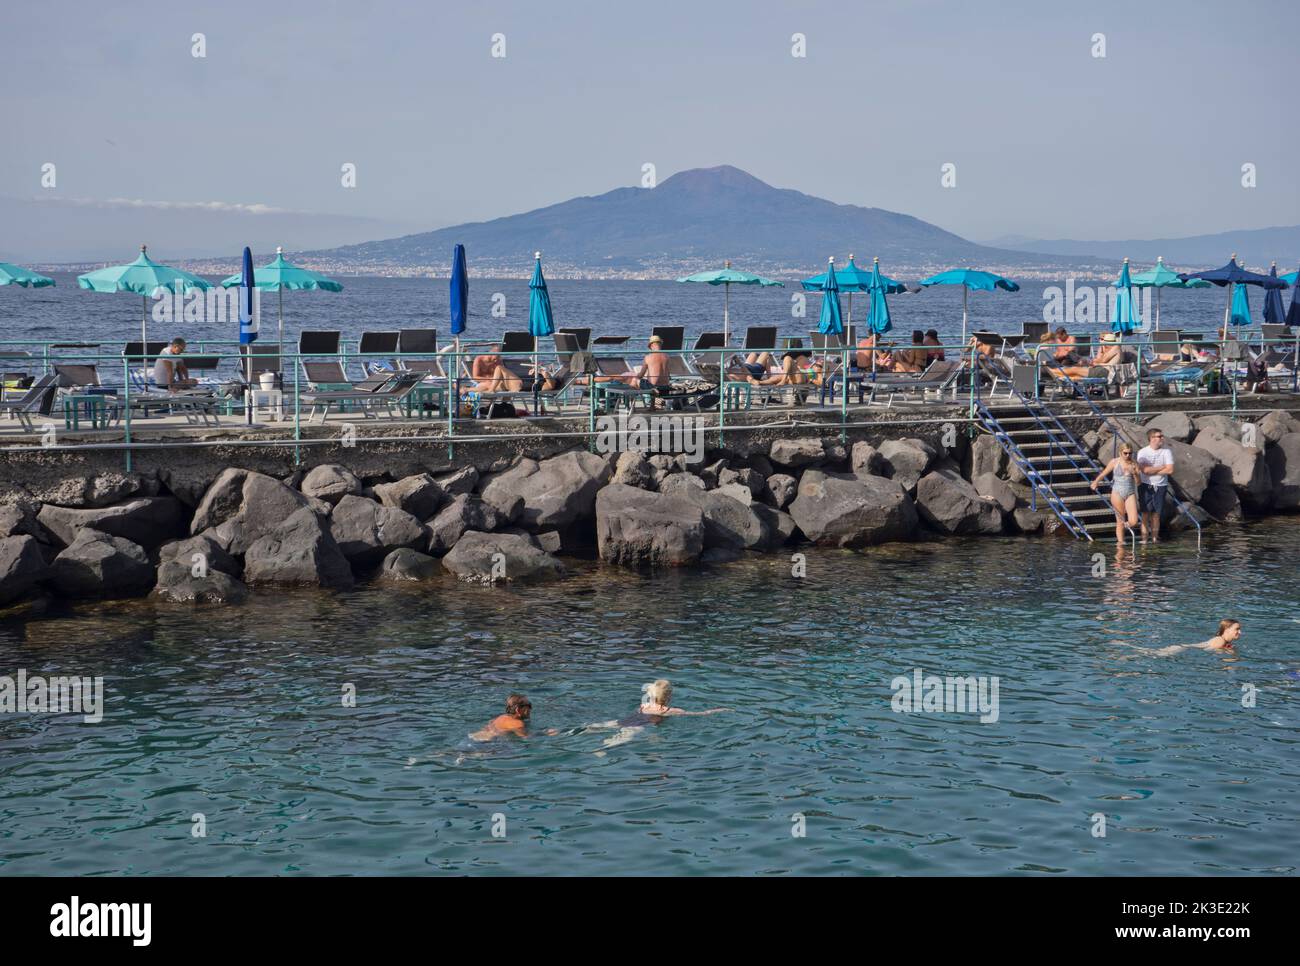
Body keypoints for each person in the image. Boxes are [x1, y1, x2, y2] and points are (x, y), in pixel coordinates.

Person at [1091, 442, 1141, 542]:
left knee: (1134, 521)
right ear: (1120, 453)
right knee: (1120, 521)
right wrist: (1096, 482)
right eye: (1125, 453)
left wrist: (1134, 473)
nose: (1128, 455)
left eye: (1130, 453)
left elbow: (1138, 483)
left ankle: (1127, 526)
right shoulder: (1115, 462)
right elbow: (1103, 473)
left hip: (1130, 492)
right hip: (1117, 492)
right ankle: (1121, 543)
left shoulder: (1134, 464)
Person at [1136, 427, 1174, 542]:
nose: (1162, 438)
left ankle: (1154, 537)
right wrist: (1162, 467)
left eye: (1162, 436)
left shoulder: (1166, 451)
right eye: (1159, 436)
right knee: (1145, 513)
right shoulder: (1143, 452)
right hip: (1145, 485)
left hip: (1160, 485)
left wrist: (1152, 470)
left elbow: (1170, 470)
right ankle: (1144, 539)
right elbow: (1144, 471)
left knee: (1156, 514)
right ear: (1152, 438)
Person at [1047, 332, 1122, 380]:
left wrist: (1093, 362)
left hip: (1105, 371)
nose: (1103, 345)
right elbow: (1100, 360)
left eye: (1104, 343)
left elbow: (1102, 360)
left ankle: (1051, 372)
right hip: (1101, 369)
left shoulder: (1116, 347)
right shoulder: (1109, 349)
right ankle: (1055, 374)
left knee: (1074, 370)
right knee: (1074, 374)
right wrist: (1092, 361)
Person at [638, 679, 729, 717]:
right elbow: (700, 714)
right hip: (645, 724)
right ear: (669, 696)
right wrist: (720, 710)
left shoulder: (644, 706)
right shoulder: (672, 711)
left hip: (631, 721)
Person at [1151, 620, 1241, 657]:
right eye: (1237, 629)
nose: (1240, 632)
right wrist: (1228, 651)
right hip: (1182, 649)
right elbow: (1208, 650)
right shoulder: (1220, 641)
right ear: (1227, 629)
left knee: (1151, 652)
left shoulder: (1221, 640)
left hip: (1182, 648)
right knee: (1152, 654)